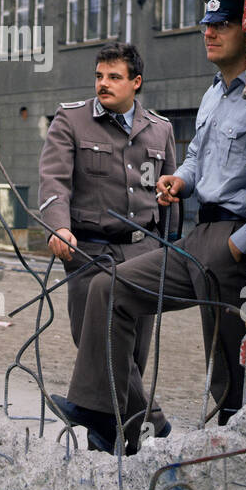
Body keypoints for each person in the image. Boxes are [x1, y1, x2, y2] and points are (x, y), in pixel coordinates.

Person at [52, 0, 246, 450]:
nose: (209, 32)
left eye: (222, 24)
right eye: (206, 24)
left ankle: (238, 452)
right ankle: (101, 410)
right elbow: (195, 160)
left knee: (228, 365)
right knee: (109, 291)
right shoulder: (213, 95)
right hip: (197, 234)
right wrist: (182, 181)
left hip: (230, 240)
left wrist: (243, 243)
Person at [38, 41, 175, 451]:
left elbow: (167, 198)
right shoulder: (71, 121)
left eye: (114, 77)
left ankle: (110, 439)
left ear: (136, 82)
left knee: (132, 352)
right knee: (100, 344)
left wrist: (166, 251)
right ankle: (152, 423)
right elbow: (53, 183)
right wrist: (58, 227)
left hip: (142, 253)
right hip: (88, 253)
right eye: (99, 76)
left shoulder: (160, 129)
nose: (103, 84)